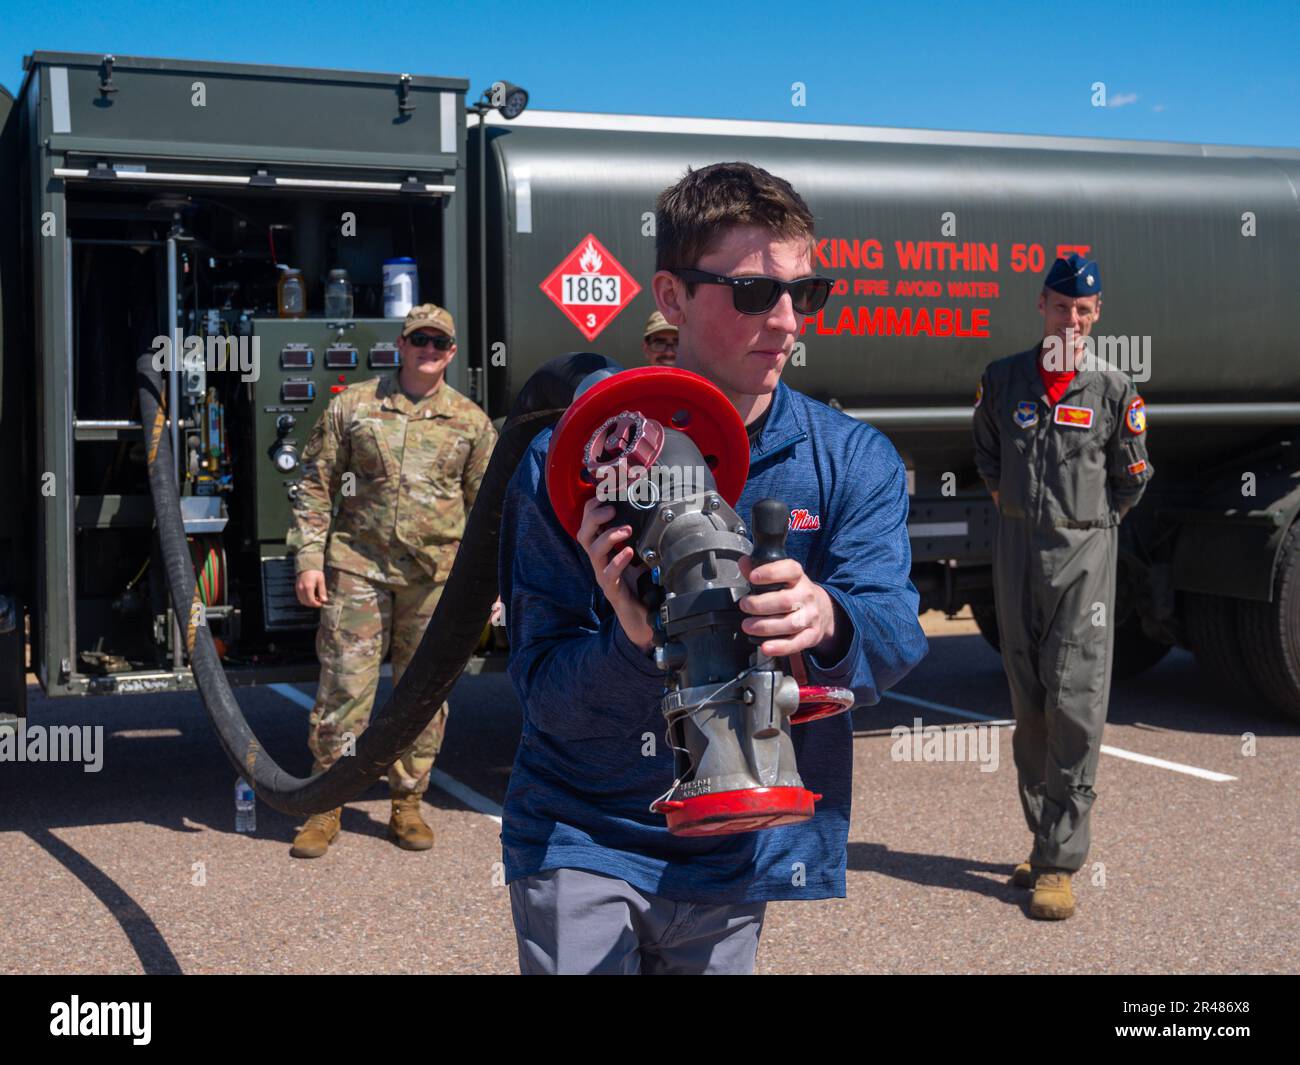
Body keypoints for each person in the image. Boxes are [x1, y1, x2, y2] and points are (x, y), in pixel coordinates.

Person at [497, 162, 928, 973]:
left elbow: (897, 631)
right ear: (671, 298)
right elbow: (541, 688)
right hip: (582, 831)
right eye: (755, 293)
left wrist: (828, 620)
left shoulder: (848, 459)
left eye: (809, 293)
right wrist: (631, 642)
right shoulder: (571, 460)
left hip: (736, 842)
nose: (789, 321)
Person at [972, 255, 1153, 919]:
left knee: (1075, 703)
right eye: (1060, 306)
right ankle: (1043, 833)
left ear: (1096, 312)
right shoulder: (1003, 379)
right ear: (1041, 305)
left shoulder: (1112, 388)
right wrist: (1010, 500)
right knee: (1031, 705)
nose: (1071, 319)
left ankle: (1058, 862)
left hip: (1083, 556)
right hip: (1016, 549)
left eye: (1084, 310)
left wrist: (1086, 529)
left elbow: (1131, 478)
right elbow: (987, 446)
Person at [286, 304, 496, 858]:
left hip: (434, 581)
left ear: (451, 353)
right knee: (346, 690)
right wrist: (310, 558)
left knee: (421, 695)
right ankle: (325, 804)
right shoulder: (353, 407)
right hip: (358, 569)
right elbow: (314, 486)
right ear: (401, 345)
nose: (429, 349)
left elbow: (488, 511)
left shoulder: (472, 423)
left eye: (440, 343)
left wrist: (489, 584)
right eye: (419, 339)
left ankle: (408, 802)